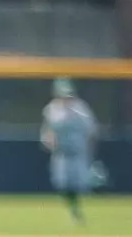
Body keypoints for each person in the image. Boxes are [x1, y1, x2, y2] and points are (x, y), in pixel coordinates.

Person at [40, 77, 101, 224]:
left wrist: (91, 152)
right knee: (62, 184)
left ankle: (79, 208)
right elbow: (47, 131)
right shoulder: (52, 110)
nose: (66, 98)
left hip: (79, 152)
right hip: (61, 154)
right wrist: (48, 140)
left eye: (68, 95)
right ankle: (74, 211)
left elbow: (92, 131)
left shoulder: (80, 109)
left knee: (80, 185)